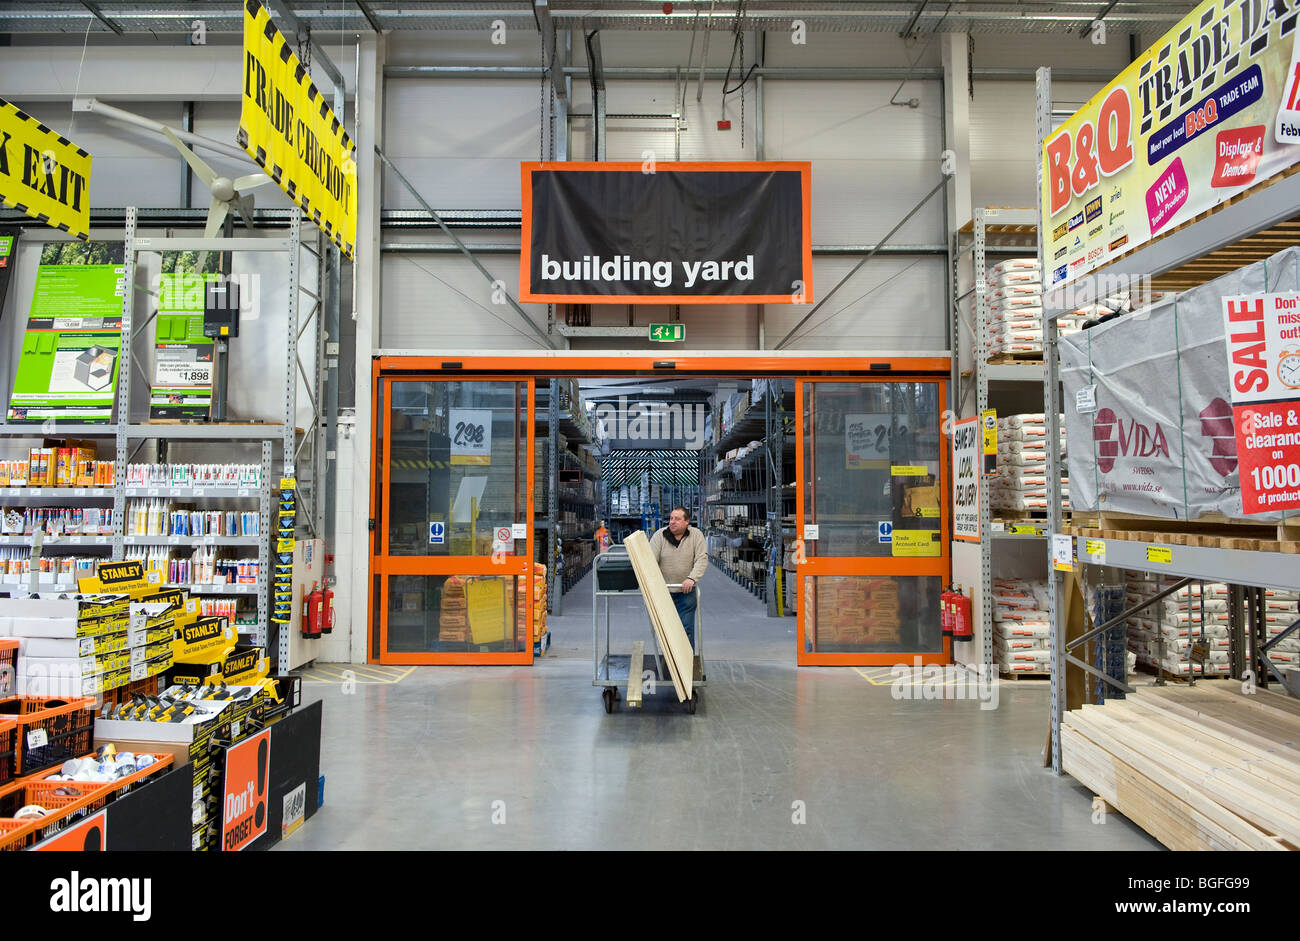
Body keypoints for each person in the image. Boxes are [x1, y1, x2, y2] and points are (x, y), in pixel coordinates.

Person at [648, 506, 707, 648]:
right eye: (671, 518)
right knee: (666, 632)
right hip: (664, 593)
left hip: (686, 592)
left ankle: (686, 666)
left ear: (687, 522)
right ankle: (670, 666)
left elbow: (702, 559)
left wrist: (692, 578)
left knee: (686, 630)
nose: (672, 522)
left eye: (677, 519)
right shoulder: (659, 536)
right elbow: (650, 561)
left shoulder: (696, 535)